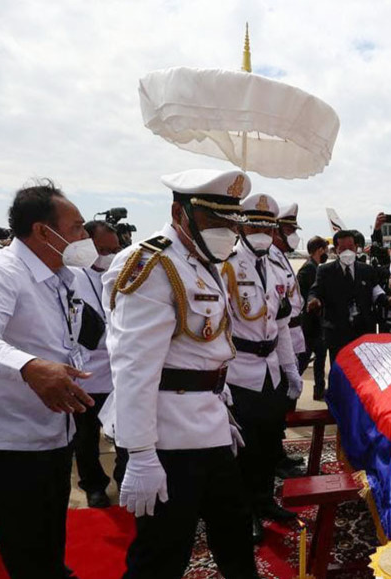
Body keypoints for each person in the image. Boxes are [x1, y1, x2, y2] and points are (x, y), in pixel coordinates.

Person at [103, 169, 258, 578]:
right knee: (163, 551)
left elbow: (203, 351)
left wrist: (220, 407)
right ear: (179, 213)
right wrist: (140, 453)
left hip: (209, 422)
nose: (228, 231)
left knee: (235, 529)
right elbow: (133, 367)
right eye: (215, 219)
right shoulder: (153, 263)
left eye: (233, 221)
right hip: (167, 436)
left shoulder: (203, 261)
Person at [0, 180, 97, 578]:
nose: (84, 237)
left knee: (50, 522)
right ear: (43, 232)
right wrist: (30, 366)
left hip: (52, 426)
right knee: (25, 536)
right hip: (5, 433)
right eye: (76, 228)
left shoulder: (64, 275)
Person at [220, 193, 303, 543]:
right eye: (255, 226)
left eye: (268, 228)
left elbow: (281, 324)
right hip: (239, 372)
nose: (263, 234)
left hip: (270, 370)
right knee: (245, 450)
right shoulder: (225, 266)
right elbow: (216, 329)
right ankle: (247, 513)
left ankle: (265, 501)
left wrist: (290, 368)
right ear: (240, 227)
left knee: (270, 443)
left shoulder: (275, 265)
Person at [70, 220, 122, 509]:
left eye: (115, 250)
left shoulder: (122, 273)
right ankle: (93, 485)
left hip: (118, 370)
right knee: (86, 437)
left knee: (124, 432)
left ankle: (124, 477)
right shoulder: (72, 276)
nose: (110, 256)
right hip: (87, 371)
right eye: (104, 250)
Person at [308, 230, 391, 361]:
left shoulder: (367, 270)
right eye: (343, 248)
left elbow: (377, 292)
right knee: (340, 367)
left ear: (356, 247)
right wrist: (313, 300)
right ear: (336, 250)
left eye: (351, 247)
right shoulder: (325, 271)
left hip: (363, 330)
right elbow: (315, 290)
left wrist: (388, 300)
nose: (348, 251)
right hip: (337, 332)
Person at [267, 203, 308, 477]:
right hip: (280, 337)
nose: (293, 235)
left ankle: (278, 452)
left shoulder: (280, 256)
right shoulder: (268, 257)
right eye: (289, 229)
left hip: (293, 334)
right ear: (276, 230)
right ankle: (274, 457)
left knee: (285, 402)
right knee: (276, 405)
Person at [298, 236, 328, 398]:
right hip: (310, 323)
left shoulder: (314, 267)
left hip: (315, 323)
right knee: (304, 359)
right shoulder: (309, 269)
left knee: (320, 357)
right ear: (320, 250)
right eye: (325, 250)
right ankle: (291, 386)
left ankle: (319, 389)